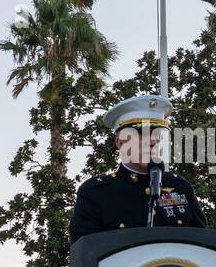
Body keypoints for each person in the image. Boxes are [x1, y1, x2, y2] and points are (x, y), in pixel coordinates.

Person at [69, 94, 206, 243]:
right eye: (142, 133)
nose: (153, 141)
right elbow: (85, 255)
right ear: (120, 142)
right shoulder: (96, 193)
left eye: (157, 134)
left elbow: (202, 248)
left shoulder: (181, 188)